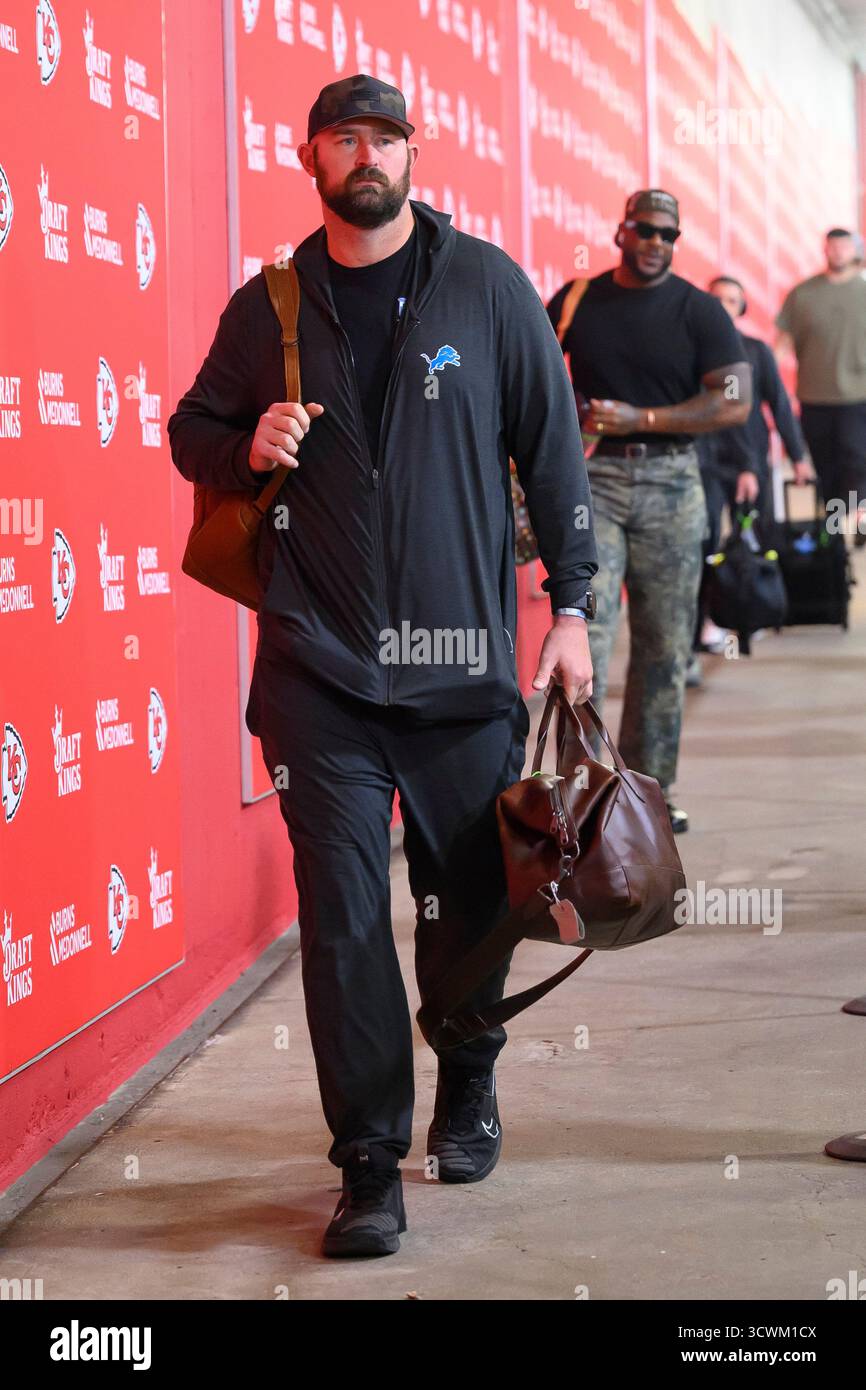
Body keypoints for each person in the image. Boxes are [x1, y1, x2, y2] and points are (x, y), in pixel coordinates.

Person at [168, 75, 598, 1259]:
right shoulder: (270, 304)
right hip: (318, 676)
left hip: (460, 667)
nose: (366, 156)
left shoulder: (490, 286)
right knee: (346, 919)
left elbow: (553, 459)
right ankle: (366, 1160)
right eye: (342, 138)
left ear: (416, 150)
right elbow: (187, 429)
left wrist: (571, 612)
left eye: (384, 138)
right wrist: (241, 439)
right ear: (309, 156)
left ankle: (468, 1072)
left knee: (466, 907)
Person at [546, 189, 751, 833]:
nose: (658, 243)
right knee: (589, 642)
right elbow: (535, 376)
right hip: (594, 481)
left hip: (672, 482)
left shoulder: (700, 311)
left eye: (669, 234)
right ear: (620, 232)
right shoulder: (578, 299)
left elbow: (735, 399)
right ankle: (583, 797)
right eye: (646, 230)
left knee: (664, 646)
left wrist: (647, 417)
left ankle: (650, 793)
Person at [688, 275, 810, 682]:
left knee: (757, 540)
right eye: (716, 299)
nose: (724, 305)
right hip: (702, 462)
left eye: (732, 300)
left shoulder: (755, 351)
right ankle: (703, 627)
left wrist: (796, 458)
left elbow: (776, 403)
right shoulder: (692, 351)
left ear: (742, 308)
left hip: (748, 462)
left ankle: (754, 612)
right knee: (704, 543)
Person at [776, 228, 866, 546]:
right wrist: (770, 379)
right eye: (832, 246)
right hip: (814, 396)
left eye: (844, 246)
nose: (837, 252)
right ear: (824, 250)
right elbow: (783, 342)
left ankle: (858, 516)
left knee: (856, 461)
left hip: (858, 396)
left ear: (856, 250)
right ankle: (833, 525)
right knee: (825, 467)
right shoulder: (803, 294)